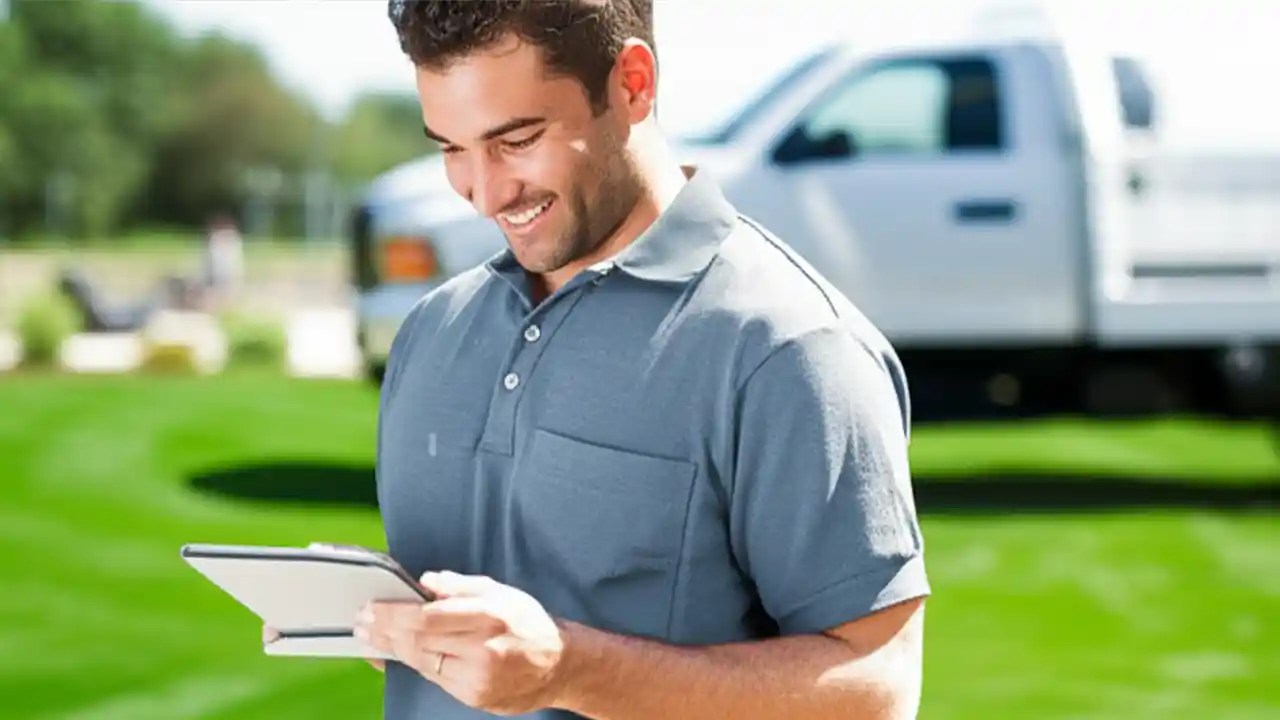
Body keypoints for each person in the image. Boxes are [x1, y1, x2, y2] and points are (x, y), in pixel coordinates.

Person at [351, 1, 930, 717]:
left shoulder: (791, 348)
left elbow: (876, 688)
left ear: (631, 83)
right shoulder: (431, 333)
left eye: (518, 140)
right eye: (451, 148)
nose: (484, 192)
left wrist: (571, 671)